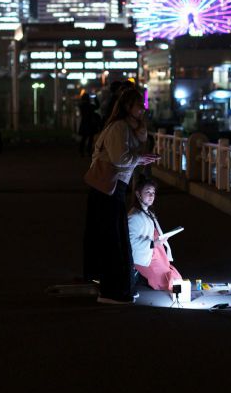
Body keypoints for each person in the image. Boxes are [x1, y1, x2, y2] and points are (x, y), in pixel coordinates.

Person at [83, 84, 159, 305]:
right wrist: (139, 158)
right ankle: (111, 291)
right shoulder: (119, 128)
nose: (142, 110)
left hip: (114, 188)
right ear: (127, 106)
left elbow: (126, 156)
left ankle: (117, 288)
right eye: (139, 106)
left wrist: (140, 157)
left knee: (116, 239)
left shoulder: (128, 128)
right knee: (112, 240)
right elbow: (119, 159)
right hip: (107, 188)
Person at [127, 177, 183, 292]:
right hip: (144, 255)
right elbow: (130, 243)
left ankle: (141, 277)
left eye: (153, 192)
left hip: (154, 251)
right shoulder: (134, 216)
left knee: (174, 277)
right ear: (138, 194)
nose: (151, 196)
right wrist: (154, 243)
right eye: (147, 192)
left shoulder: (148, 212)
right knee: (166, 281)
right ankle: (139, 275)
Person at [76, 93, 101, 157]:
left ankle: (81, 151)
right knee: (90, 138)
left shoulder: (81, 106)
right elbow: (97, 106)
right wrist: (95, 98)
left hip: (84, 123)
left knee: (84, 138)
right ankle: (88, 151)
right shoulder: (90, 106)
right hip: (90, 123)